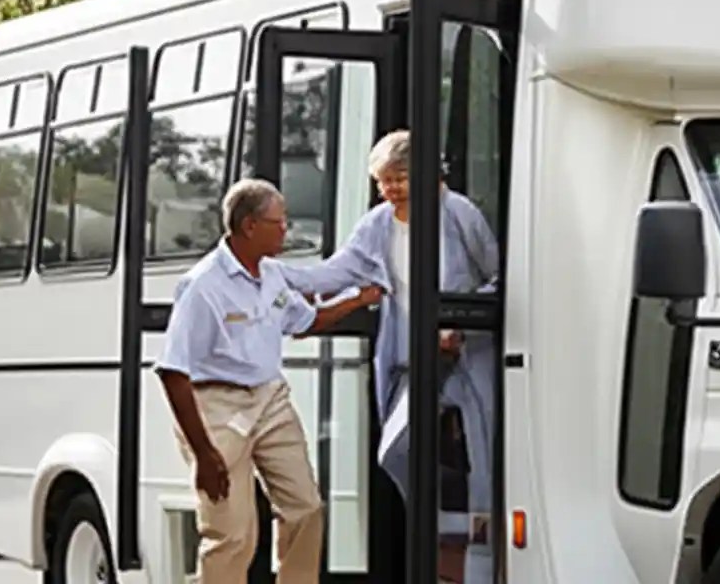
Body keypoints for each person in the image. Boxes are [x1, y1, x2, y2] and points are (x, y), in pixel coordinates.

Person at [277, 129, 500, 582]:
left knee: (485, 460)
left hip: (468, 353)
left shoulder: (459, 213)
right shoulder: (378, 224)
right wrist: (271, 272)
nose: (388, 189)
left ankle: (479, 564)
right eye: (381, 181)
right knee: (396, 451)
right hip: (412, 358)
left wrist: (460, 322)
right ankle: (438, 534)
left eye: (397, 178)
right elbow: (335, 272)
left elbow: (498, 276)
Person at [154, 178, 383, 584]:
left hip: (270, 399)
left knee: (306, 508)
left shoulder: (272, 274)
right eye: (279, 222)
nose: (286, 229)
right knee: (232, 534)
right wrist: (204, 454)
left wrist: (358, 299)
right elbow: (173, 371)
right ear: (250, 227)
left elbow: (307, 321)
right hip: (217, 407)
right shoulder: (203, 285)